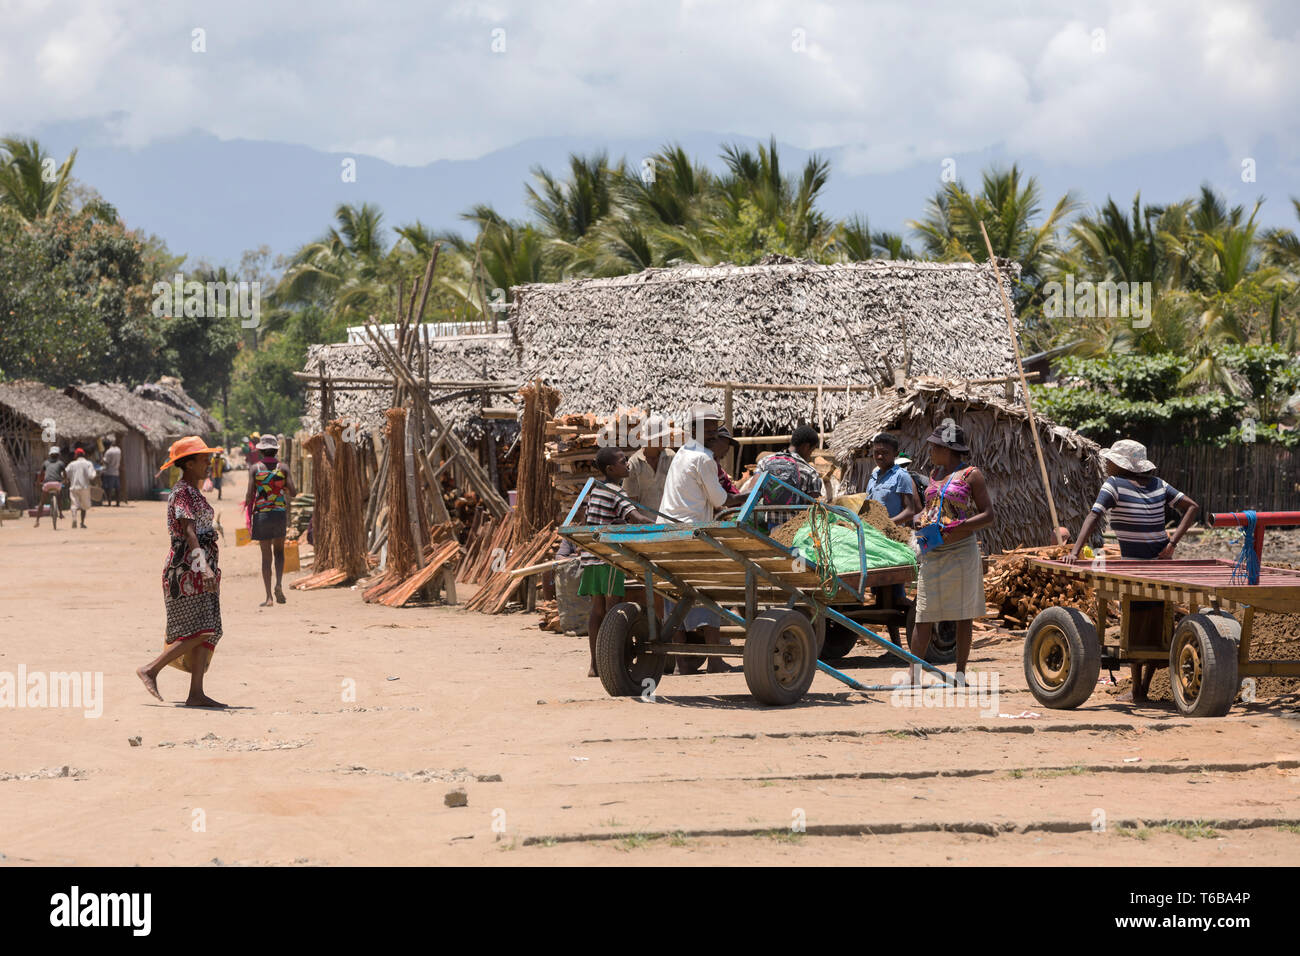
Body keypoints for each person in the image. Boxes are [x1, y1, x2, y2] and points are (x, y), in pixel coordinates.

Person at [1065, 439, 1200, 702]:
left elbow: (1094, 516)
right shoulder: (1159, 484)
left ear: (1121, 464)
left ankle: (1139, 691)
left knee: (1138, 620)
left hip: (1136, 567)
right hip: (1161, 565)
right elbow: (1192, 507)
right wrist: (1171, 545)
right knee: (1157, 620)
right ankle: (1141, 689)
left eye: (1111, 460)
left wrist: (1074, 551)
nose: (1107, 464)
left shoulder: (1113, 485)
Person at [136, 436, 225, 707]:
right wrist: (204, 567)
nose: (208, 464)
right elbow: (188, 531)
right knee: (197, 629)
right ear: (187, 463)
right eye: (203, 459)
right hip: (187, 570)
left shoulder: (194, 491)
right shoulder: (182, 492)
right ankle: (150, 669)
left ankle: (196, 693)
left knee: (206, 628)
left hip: (198, 567)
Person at [908, 423, 996, 685]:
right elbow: (931, 508)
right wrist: (920, 519)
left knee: (963, 614)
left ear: (947, 449)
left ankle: (960, 673)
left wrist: (961, 526)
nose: (930, 451)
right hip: (933, 549)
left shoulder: (971, 475)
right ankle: (914, 676)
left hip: (961, 550)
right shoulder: (934, 474)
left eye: (934, 447)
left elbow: (988, 514)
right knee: (924, 613)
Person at [660, 411, 747, 673]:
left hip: (667, 530)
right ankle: (715, 660)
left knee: (673, 592)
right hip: (692, 533)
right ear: (694, 430)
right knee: (706, 591)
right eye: (707, 431)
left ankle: (681, 661)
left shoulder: (683, 453)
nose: (711, 435)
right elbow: (723, 501)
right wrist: (752, 496)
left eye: (714, 430)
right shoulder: (704, 458)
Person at [580, 446, 655, 676]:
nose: (628, 464)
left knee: (598, 610)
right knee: (614, 609)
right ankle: (613, 662)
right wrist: (658, 526)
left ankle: (595, 664)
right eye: (623, 461)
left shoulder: (597, 490)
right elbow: (634, 517)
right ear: (611, 469)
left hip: (590, 556)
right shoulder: (615, 491)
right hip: (608, 558)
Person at [863, 432, 917, 608]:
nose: (879, 456)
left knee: (894, 590)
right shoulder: (873, 477)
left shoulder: (901, 476)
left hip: (891, 537)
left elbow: (910, 510)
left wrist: (888, 524)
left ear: (895, 454)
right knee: (879, 590)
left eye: (884, 452)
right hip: (873, 536)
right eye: (876, 452)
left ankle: (901, 601)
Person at [245, 435, 296, 607]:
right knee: (279, 552)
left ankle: (268, 598)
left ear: (260, 451)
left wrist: (248, 512)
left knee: (266, 557)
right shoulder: (283, 468)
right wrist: (280, 486)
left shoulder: (255, 468)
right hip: (279, 514)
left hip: (262, 514)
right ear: (275, 451)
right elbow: (294, 492)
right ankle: (279, 584)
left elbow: (250, 493)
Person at [750, 424, 825, 532]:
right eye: (811, 451)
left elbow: (752, 491)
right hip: (796, 531)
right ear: (806, 447)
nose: (810, 455)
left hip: (773, 528)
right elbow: (815, 507)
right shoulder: (810, 472)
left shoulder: (765, 462)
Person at [621, 417, 675, 514]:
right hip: (645, 524)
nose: (667, 440)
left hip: (668, 521)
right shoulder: (635, 463)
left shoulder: (671, 457)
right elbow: (632, 502)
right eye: (662, 438)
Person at [64, 447, 97, 529]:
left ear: (76, 455)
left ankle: (74, 518)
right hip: (84, 487)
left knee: (74, 504)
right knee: (84, 506)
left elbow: (64, 473)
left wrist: (65, 479)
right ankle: (82, 523)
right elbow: (91, 476)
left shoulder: (71, 464)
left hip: (74, 487)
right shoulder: (88, 464)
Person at [33, 447, 65, 529]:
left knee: (42, 502)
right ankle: (61, 513)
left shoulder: (45, 463)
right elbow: (65, 475)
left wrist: (37, 483)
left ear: (50, 455)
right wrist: (65, 480)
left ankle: (37, 520)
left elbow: (40, 474)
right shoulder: (61, 463)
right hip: (57, 484)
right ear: (58, 455)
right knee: (60, 497)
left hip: (47, 484)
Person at [101, 436, 122, 506]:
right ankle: (118, 502)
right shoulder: (118, 450)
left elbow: (106, 461)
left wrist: (102, 459)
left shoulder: (108, 452)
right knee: (117, 488)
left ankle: (109, 502)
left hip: (109, 472)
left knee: (109, 488)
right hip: (116, 472)